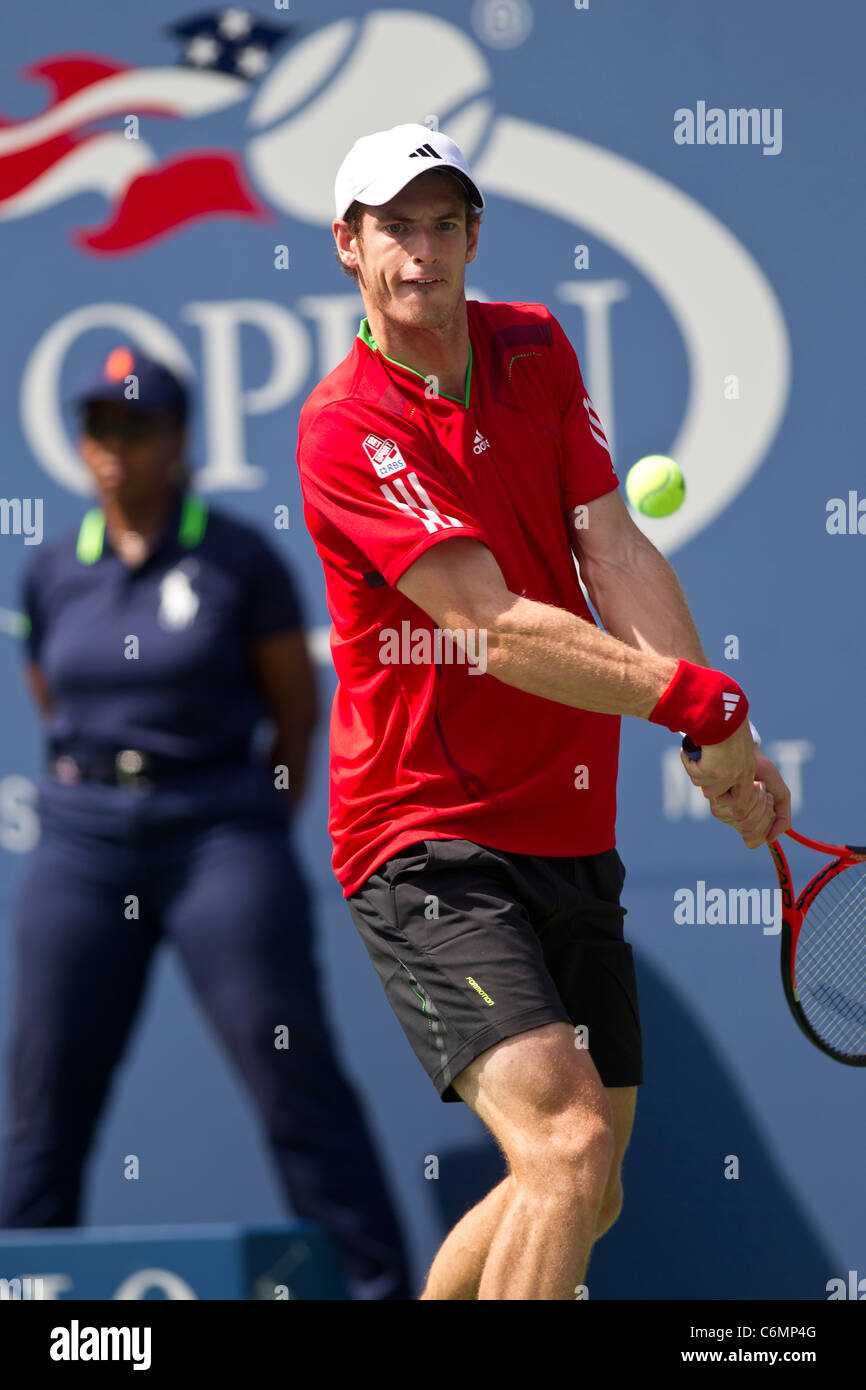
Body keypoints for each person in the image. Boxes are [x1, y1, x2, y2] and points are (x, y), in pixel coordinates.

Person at [295, 123, 793, 1301]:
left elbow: (610, 551)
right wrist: (695, 693)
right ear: (348, 248)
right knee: (561, 1147)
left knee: (584, 1179)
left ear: (472, 235)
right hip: (423, 842)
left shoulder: (535, 345)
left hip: (564, 831)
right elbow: (491, 624)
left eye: (442, 224)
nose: (422, 252)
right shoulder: (342, 426)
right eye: (394, 228)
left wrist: (712, 734)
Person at [0, 346, 411, 1301]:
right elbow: (54, 702)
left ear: (179, 441)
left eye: (135, 427)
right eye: (98, 427)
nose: (113, 447)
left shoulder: (238, 557)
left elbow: (296, 713)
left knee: (291, 1079)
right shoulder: (53, 568)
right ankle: (27, 1294)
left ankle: (375, 1289)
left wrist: (258, 819)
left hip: (218, 834)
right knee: (43, 1101)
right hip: (84, 842)